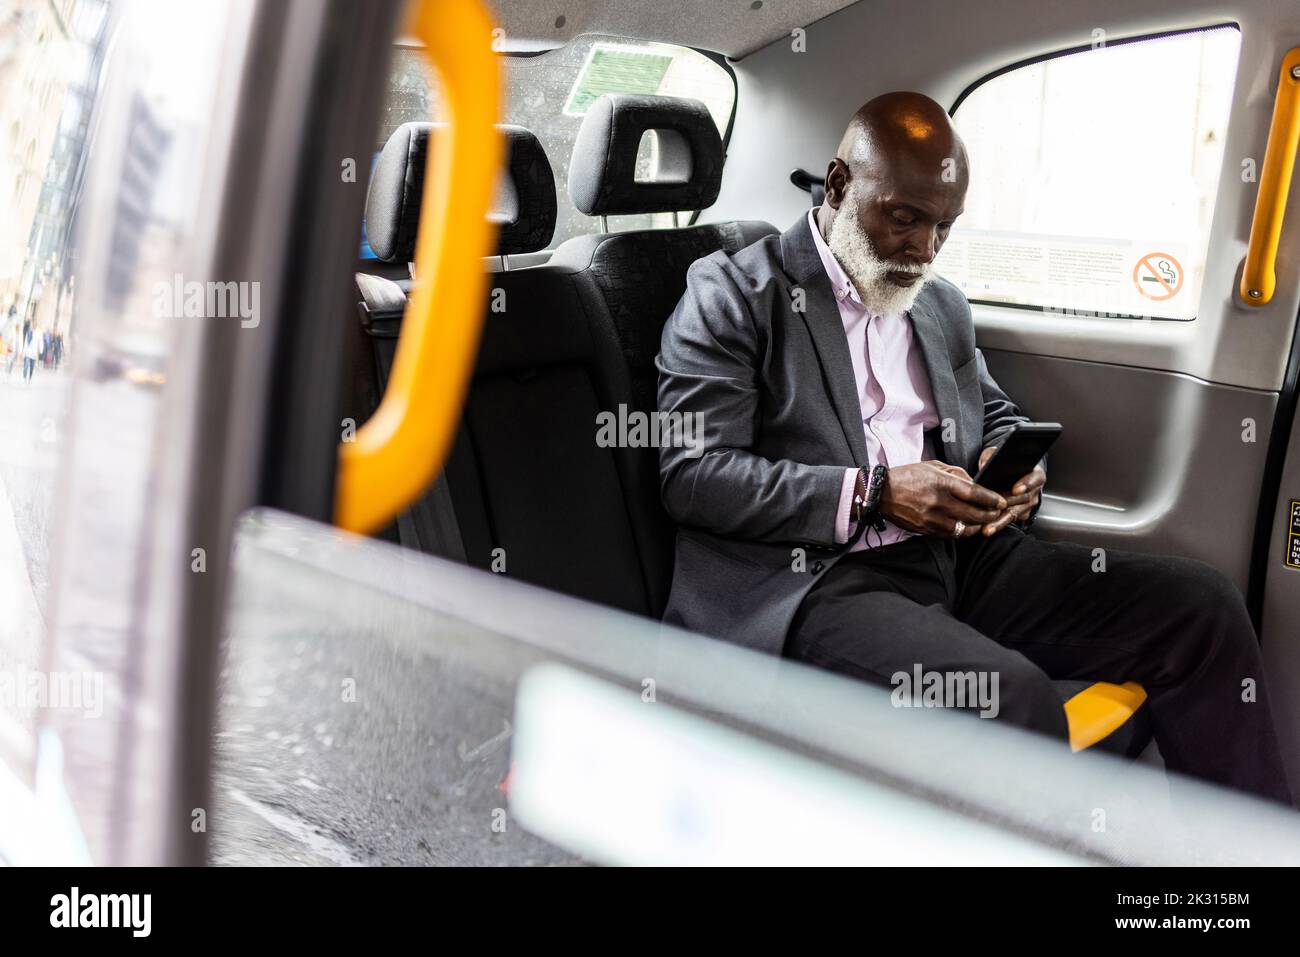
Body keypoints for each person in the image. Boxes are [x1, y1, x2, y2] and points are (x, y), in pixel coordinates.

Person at [656, 91, 1293, 806]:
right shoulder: (733, 296)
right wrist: (876, 491)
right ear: (839, 185)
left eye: (943, 228)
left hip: (956, 556)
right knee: (1009, 699)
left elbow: (989, 410)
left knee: (1201, 607)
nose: (923, 249)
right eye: (905, 218)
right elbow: (694, 473)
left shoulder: (939, 303)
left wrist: (1015, 469)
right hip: (811, 580)